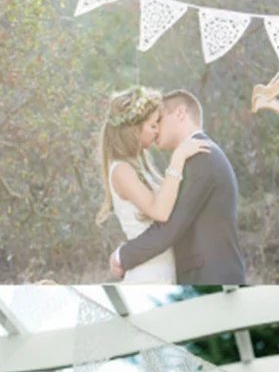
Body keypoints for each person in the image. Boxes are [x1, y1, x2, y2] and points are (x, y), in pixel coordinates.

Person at [107, 88, 247, 285]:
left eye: (159, 120)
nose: (156, 129)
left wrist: (122, 255)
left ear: (180, 113)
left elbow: (169, 228)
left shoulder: (201, 157)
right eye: (152, 124)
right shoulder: (193, 156)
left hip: (211, 281)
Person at [98, 86, 211, 283]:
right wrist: (178, 158)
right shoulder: (121, 170)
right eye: (152, 125)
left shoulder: (140, 166)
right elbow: (160, 212)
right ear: (134, 130)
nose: (157, 130)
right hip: (147, 274)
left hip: (162, 268)